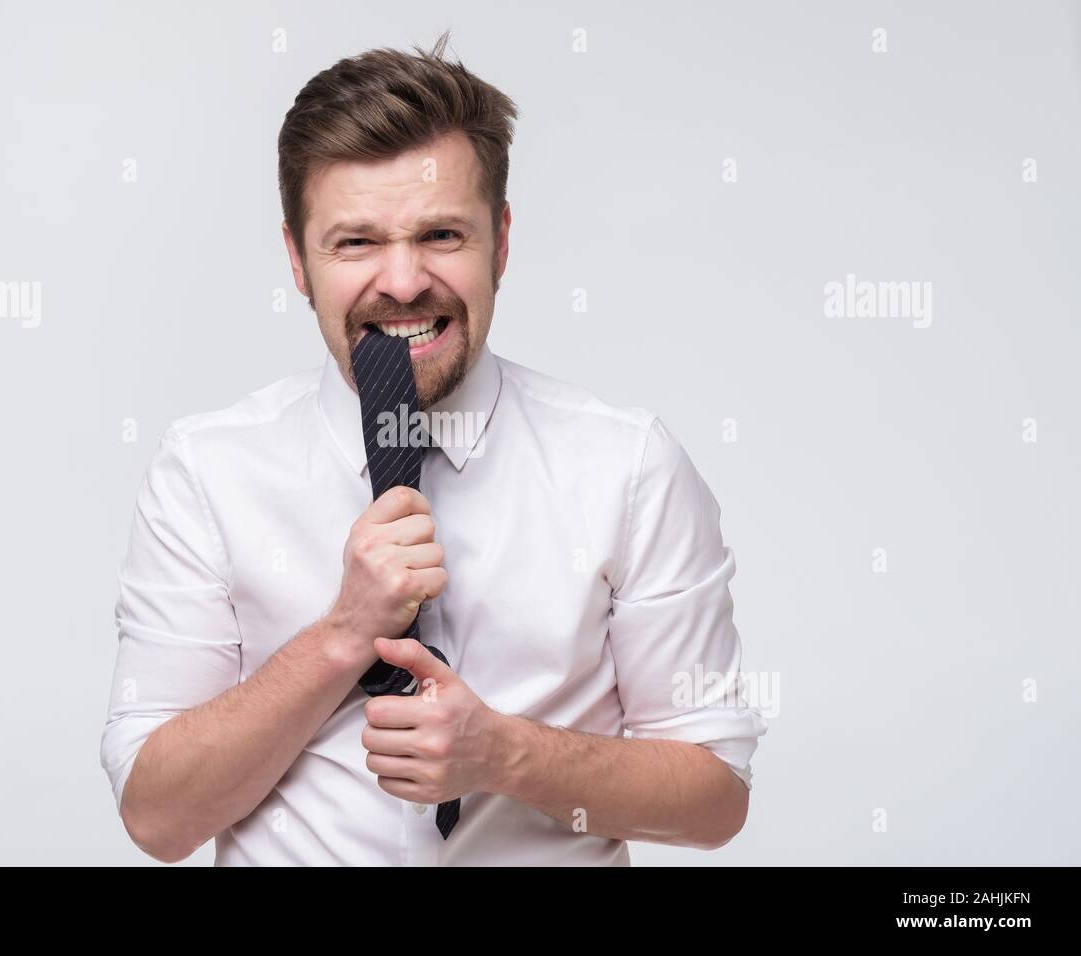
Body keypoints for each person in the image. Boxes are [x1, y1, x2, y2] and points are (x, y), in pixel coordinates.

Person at [99, 30, 768, 866]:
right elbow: (157, 819)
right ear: (298, 262)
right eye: (357, 242)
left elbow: (714, 798)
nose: (406, 280)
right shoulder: (206, 473)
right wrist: (343, 634)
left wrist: (503, 754)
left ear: (503, 240)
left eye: (442, 235)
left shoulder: (627, 467)